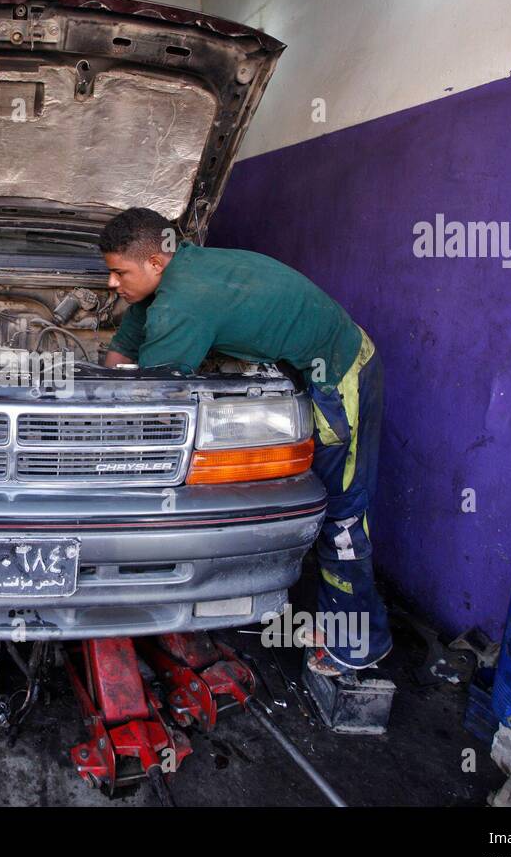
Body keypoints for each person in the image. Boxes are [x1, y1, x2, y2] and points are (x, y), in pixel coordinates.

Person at [100, 207, 390, 675]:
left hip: (341, 375)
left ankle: (359, 641)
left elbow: (155, 403)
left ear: (155, 263)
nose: (112, 284)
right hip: (305, 369)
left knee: (342, 513)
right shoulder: (166, 281)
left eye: (119, 272)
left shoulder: (184, 302)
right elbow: (121, 355)